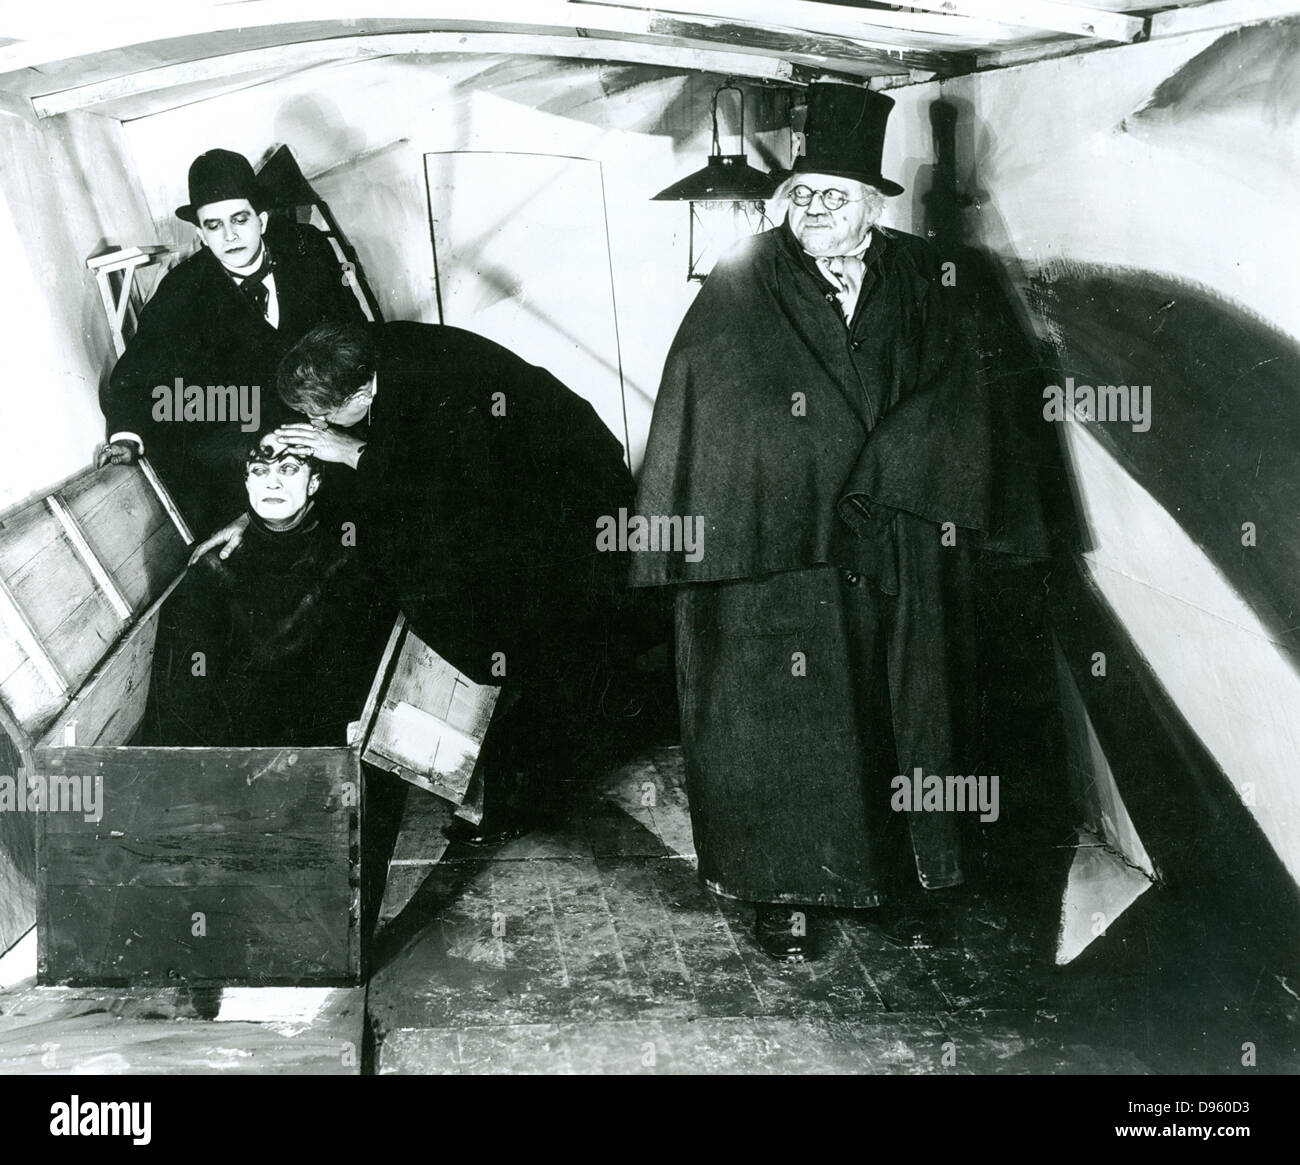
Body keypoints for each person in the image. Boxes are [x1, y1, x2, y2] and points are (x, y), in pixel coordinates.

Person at [629, 83, 1063, 961]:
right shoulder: (745, 275)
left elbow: (963, 390)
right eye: (803, 194)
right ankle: (784, 889)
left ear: (870, 203)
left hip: (900, 533)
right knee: (791, 718)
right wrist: (805, 473)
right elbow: (709, 395)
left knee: (907, 707)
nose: (815, 209)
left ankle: (903, 873)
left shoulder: (927, 276)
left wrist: (886, 471)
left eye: (835, 195)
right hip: (782, 548)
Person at [195, 320, 645, 837]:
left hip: (566, 492)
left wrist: (351, 452)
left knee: (534, 628)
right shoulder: (359, 354)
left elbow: (459, 487)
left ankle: (525, 798)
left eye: (321, 418)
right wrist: (251, 518)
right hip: (504, 482)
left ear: (362, 392)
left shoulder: (439, 387)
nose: (315, 428)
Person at [99, 148, 366, 533]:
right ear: (201, 234)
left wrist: (337, 413)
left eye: (240, 219)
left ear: (261, 218)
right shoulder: (182, 290)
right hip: (244, 445)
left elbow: (351, 330)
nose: (229, 236)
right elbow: (138, 372)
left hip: (326, 426)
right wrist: (126, 438)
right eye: (213, 225)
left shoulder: (307, 249)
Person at [138, 435, 392, 747]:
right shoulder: (214, 567)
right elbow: (190, 683)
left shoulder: (344, 564)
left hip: (313, 748)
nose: (272, 483)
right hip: (230, 749)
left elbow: (350, 685)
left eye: (288, 469)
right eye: (260, 471)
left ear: (313, 483)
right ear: (247, 483)